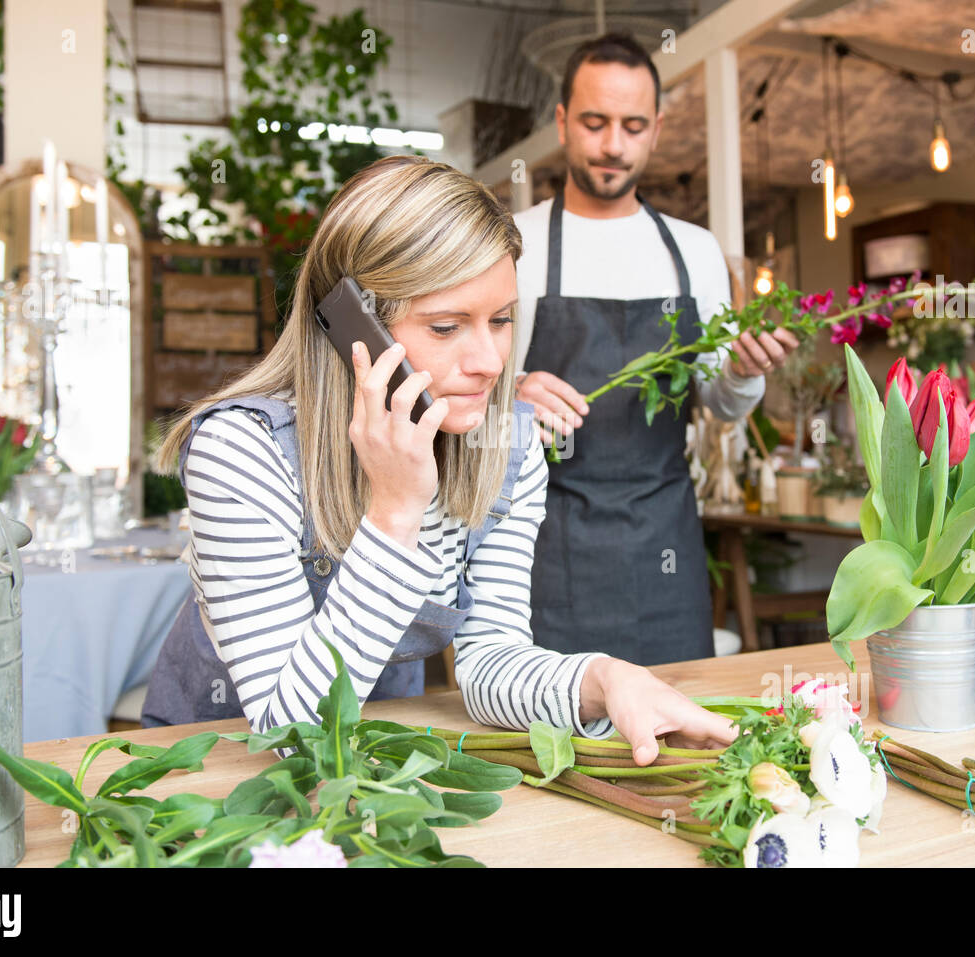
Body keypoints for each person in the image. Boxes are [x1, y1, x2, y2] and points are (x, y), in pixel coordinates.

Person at [140, 155, 737, 766]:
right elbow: (292, 733)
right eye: (448, 326)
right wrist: (396, 510)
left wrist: (605, 680)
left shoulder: (505, 447)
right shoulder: (243, 451)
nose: (490, 360)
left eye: (502, 320)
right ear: (351, 323)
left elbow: (488, 665)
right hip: (208, 768)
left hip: (376, 763)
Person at [513, 33, 798, 666]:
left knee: (677, 742)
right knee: (553, 748)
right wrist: (511, 394)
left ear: (657, 130)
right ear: (562, 122)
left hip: (664, 548)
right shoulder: (516, 245)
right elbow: (461, 392)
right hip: (543, 548)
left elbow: (719, 405)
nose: (613, 144)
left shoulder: (694, 250)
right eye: (594, 122)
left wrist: (745, 373)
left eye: (633, 125)